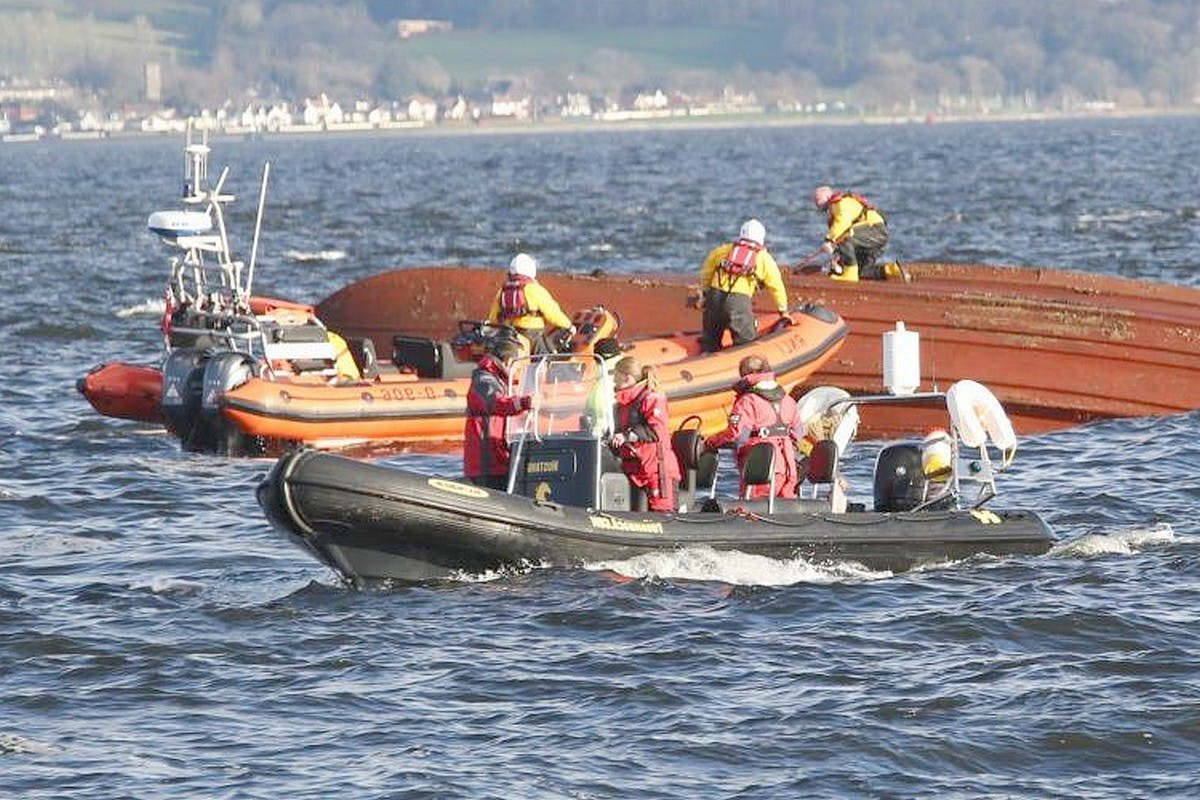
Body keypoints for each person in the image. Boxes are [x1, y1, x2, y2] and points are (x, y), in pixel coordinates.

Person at [704, 354, 805, 499]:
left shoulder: (748, 401)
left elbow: (737, 435)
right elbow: (799, 433)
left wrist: (711, 442)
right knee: (784, 512)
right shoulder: (788, 400)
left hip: (760, 469)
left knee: (751, 512)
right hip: (788, 470)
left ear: (745, 375)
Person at [695, 218, 790, 352]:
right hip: (738, 301)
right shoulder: (763, 257)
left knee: (711, 339)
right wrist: (783, 310)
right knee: (745, 342)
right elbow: (776, 286)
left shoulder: (723, 250)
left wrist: (705, 292)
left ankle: (706, 357)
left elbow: (707, 270)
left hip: (714, 296)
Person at [609, 356, 681, 512]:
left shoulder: (651, 398)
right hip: (634, 470)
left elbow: (656, 431)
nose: (614, 382)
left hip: (656, 469)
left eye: (616, 377)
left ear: (627, 377)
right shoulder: (622, 405)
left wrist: (626, 436)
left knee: (663, 513)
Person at [463, 337, 533, 489]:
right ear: (509, 361)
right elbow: (497, 404)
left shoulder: (502, 381)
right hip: (486, 465)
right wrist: (524, 403)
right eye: (519, 363)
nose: (521, 369)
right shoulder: (484, 380)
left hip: (500, 459)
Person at [808, 185, 903, 281]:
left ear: (827, 198)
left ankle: (850, 276)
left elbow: (842, 223)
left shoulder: (841, 204)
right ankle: (889, 270)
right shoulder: (837, 207)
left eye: (823, 207)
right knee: (859, 270)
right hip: (871, 237)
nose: (825, 211)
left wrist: (828, 240)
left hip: (874, 230)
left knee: (844, 237)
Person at [486, 253, 575, 354]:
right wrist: (568, 326)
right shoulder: (535, 290)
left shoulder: (502, 291)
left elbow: (493, 318)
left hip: (508, 333)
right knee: (546, 357)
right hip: (531, 334)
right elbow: (553, 313)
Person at [584, 336, 624, 437]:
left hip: (605, 437)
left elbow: (600, 416)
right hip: (617, 435)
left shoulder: (602, 384)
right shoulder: (627, 375)